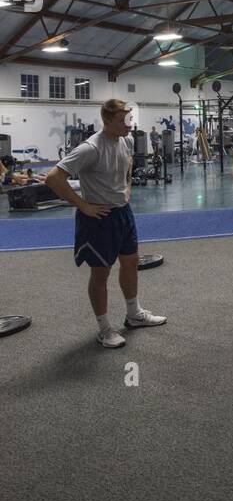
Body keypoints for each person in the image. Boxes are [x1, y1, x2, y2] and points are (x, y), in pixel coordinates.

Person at [43, 99, 166, 349]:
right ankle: (104, 328)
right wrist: (83, 205)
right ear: (107, 121)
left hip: (123, 213)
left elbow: (128, 166)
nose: (128, 126)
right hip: (98, 218)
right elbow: (54, 178)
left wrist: (126, 188)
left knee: (130, 264)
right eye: (122, 121)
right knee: (100, 273)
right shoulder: (90, 148)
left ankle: (134, 315)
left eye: (129, 120)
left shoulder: (126, 140)